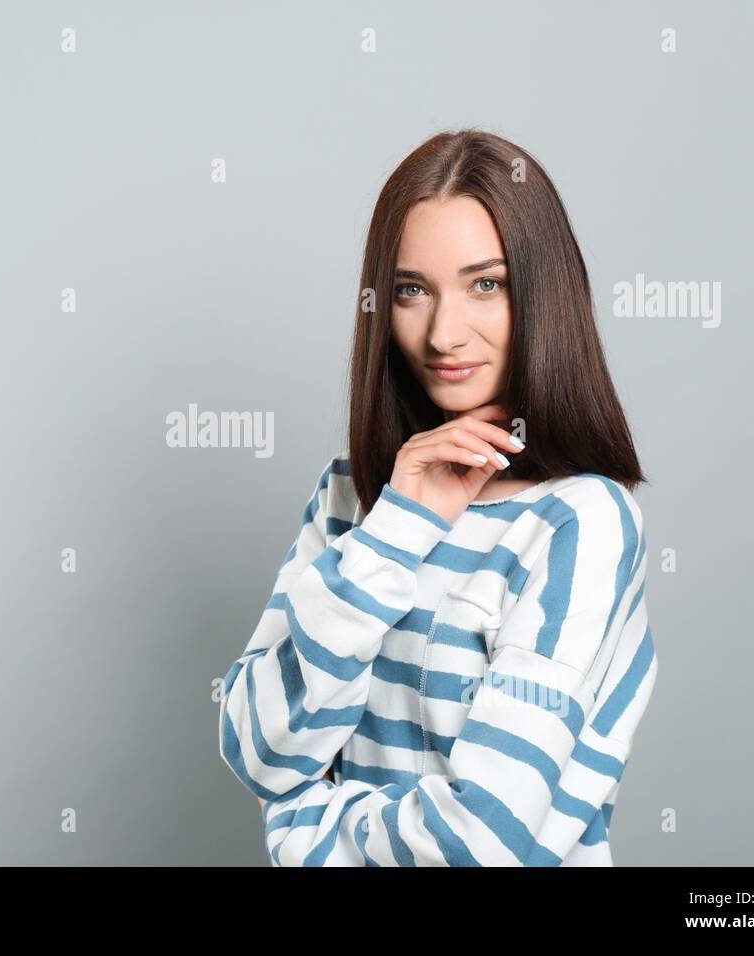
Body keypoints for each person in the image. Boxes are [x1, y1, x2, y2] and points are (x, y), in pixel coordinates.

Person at [217, 129, 657, 866]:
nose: (444, 334)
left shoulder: (581, 524)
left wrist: (306, 832)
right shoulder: (351, 496)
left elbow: (481, 842)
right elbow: (258, 752)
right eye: (412, 291)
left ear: (543, 294)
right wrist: (398, 526)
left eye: (487, 284)